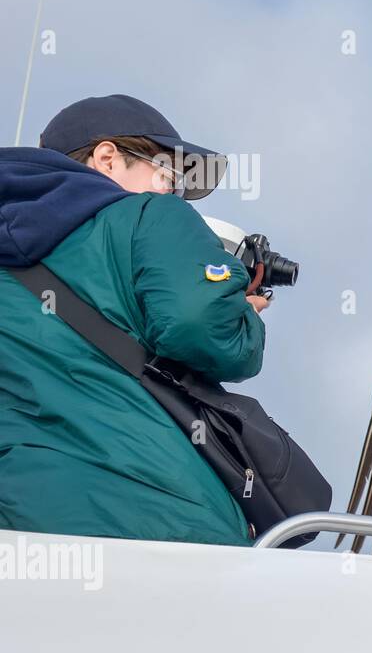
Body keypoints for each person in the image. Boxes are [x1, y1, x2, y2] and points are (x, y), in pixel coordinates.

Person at [0, 94, 267, 545]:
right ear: (107, 158)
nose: (174, 193)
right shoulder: (147, 215)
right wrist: (240, 313)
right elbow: (202, 328)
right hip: (154, 519)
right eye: (168, 175)